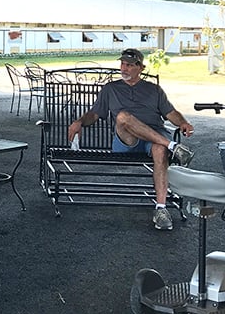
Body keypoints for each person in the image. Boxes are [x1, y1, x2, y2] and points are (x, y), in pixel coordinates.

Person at [67, 48, 194, 231]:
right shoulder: (111, 89)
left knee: (160, 150)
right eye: (122, 64)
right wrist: (79, 121)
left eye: (129, 65)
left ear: (140, 68)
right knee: (123, 117)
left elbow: (170, 113)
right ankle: (173, 146)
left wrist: (183, 122)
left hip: (154, 137)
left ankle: (161, 209)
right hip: (126, 140)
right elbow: (95, 114)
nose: (124, 68)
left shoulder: (154, 90)